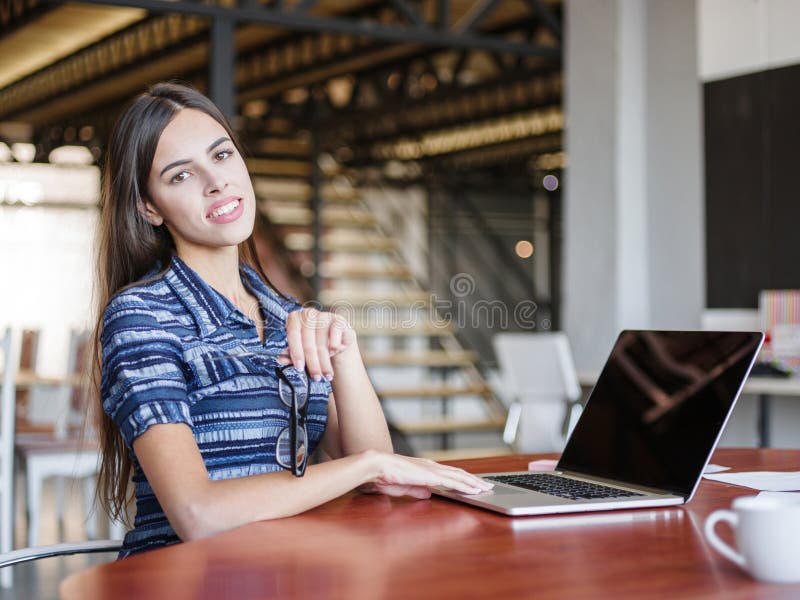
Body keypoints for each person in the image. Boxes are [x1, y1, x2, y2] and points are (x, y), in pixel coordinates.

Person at [92, 81, 492, 558]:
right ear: (148, 206)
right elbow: (198, 514)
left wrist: (345, 351)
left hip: (294, 570)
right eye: (181, 175)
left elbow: (375, 476)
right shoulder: (141, 318)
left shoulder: (289, 315)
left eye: (222, 156)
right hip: (182, 580)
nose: (216, 181)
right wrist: (369, 466)